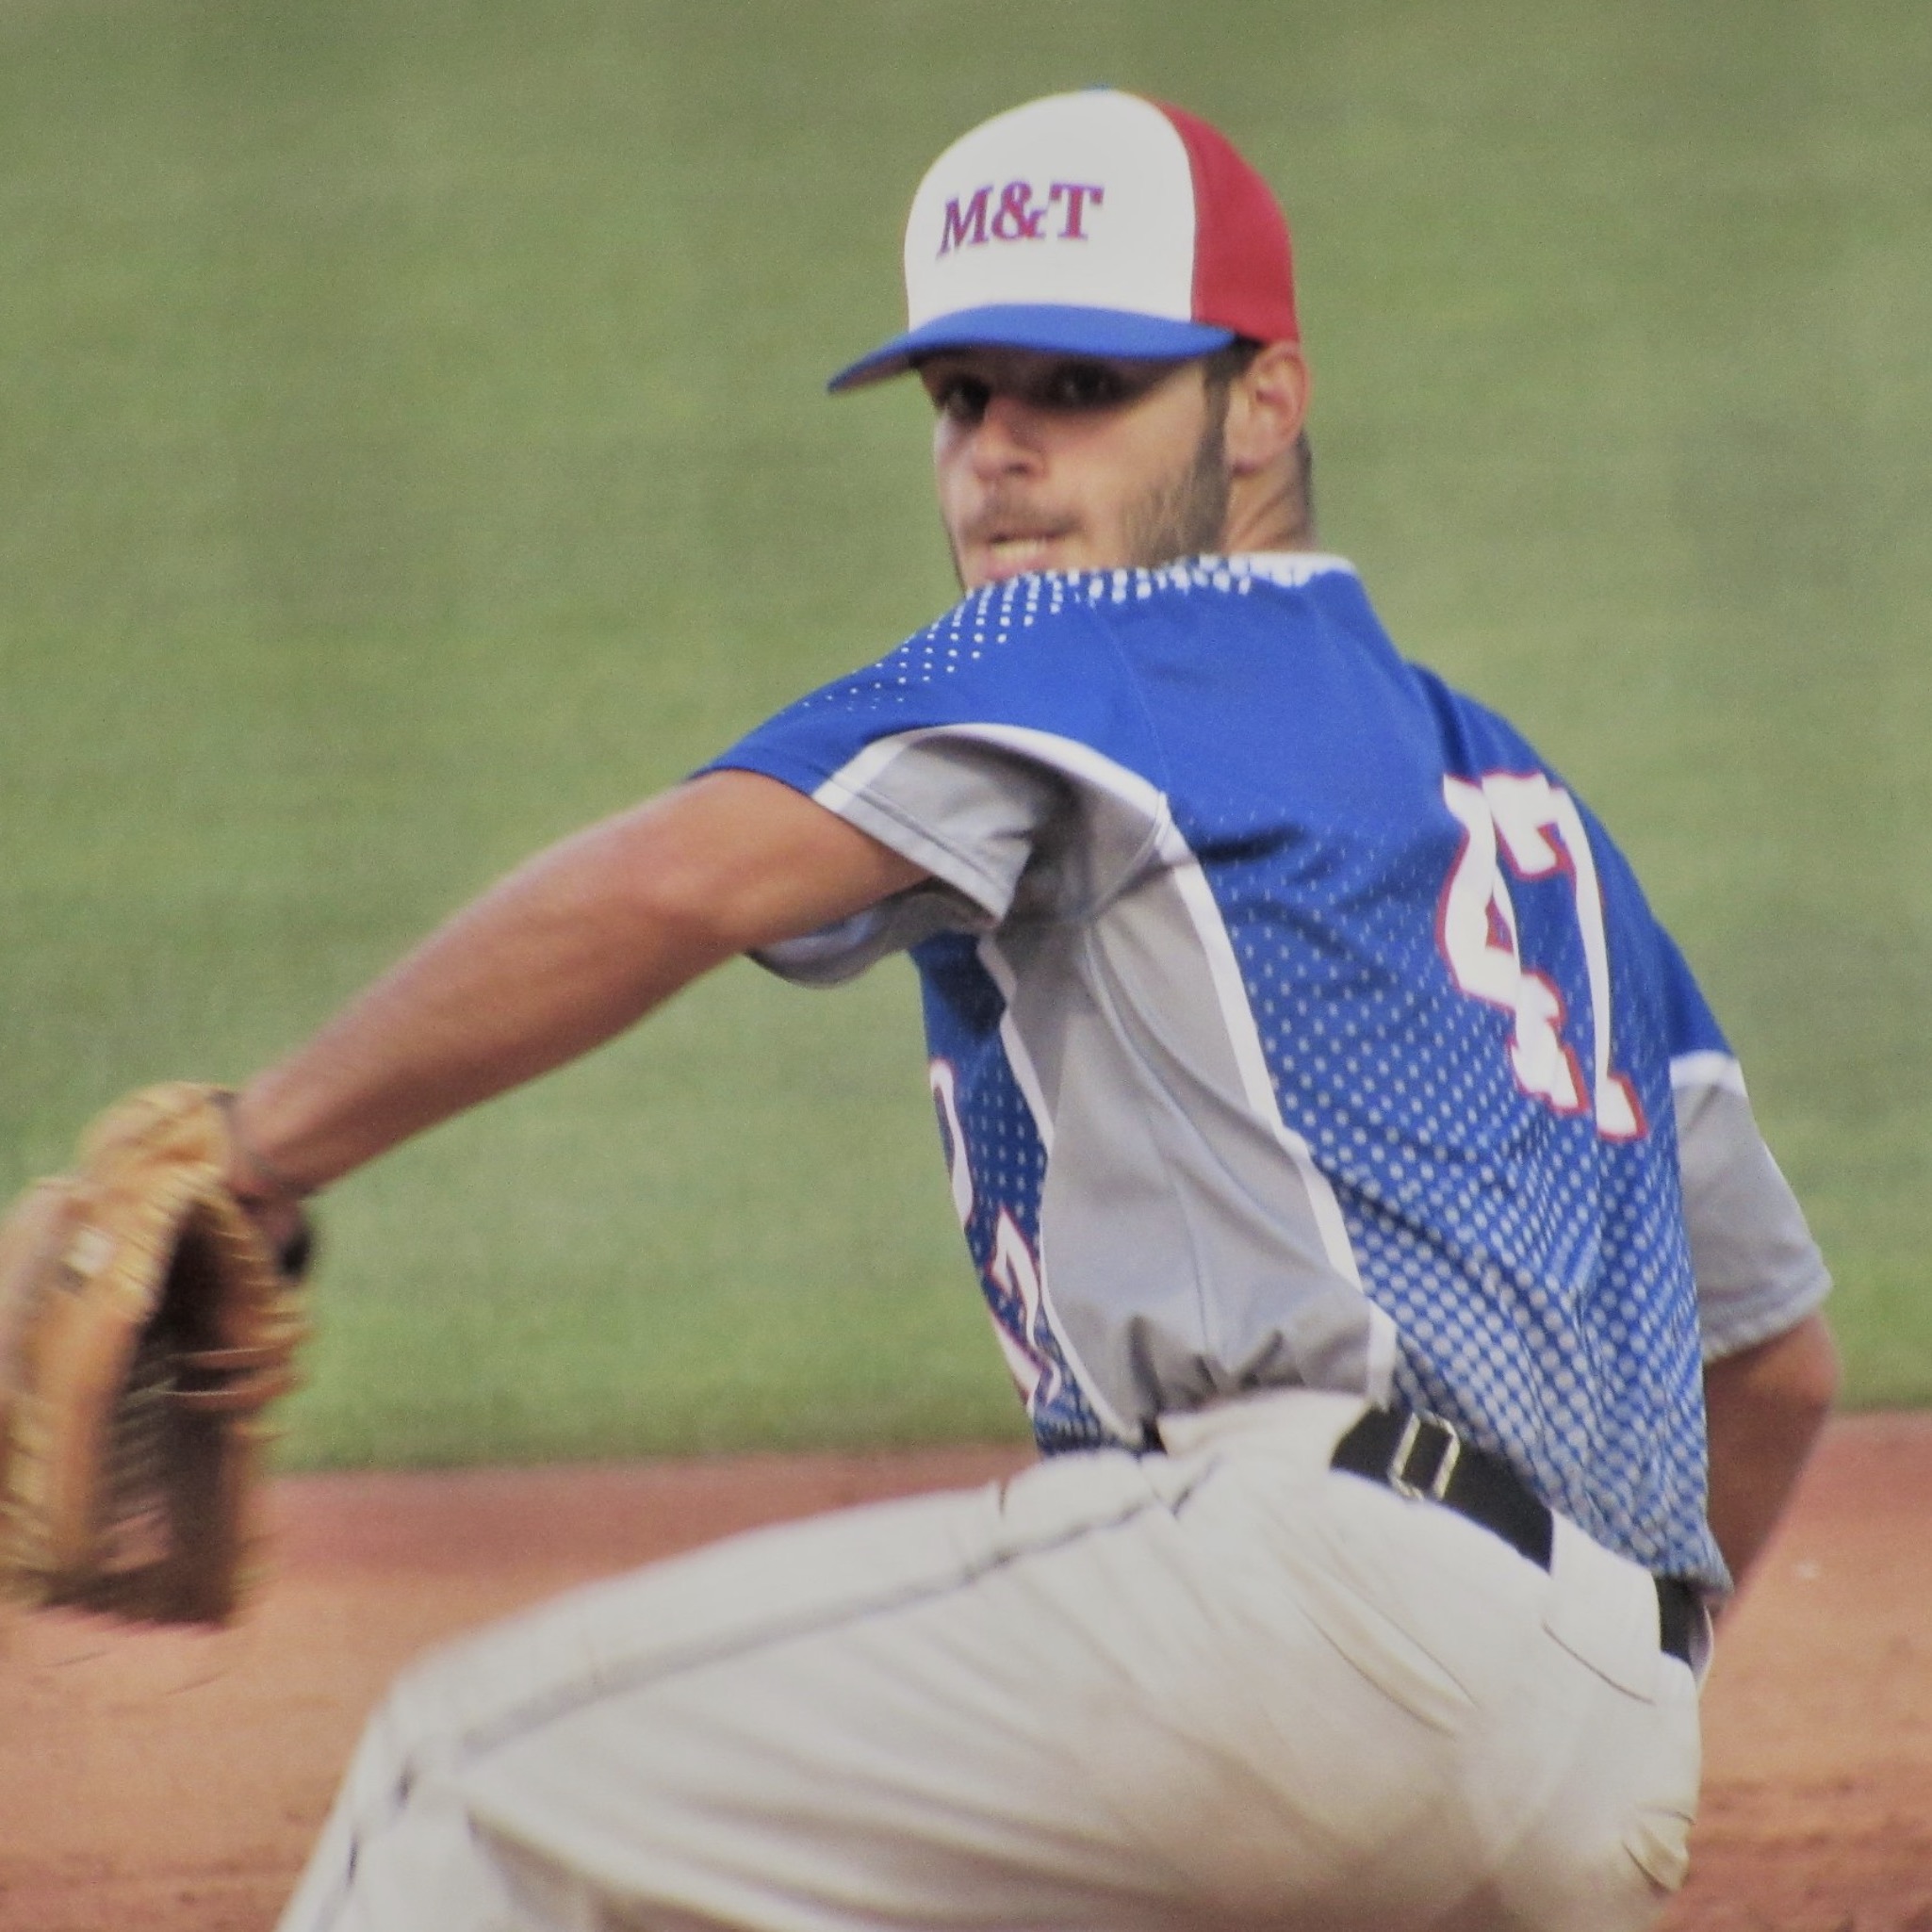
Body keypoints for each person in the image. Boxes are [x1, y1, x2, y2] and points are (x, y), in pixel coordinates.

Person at [237, 90, 1837, 1932]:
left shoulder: (1085, 646)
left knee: (465, 1781)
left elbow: (667, 882)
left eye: (1077, 387)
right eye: (959, 396)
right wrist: (1540, 1712)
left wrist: (246, 1151)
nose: (998, 452)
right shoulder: (1528, 812)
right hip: (1600, 1756)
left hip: (1299, 1619)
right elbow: (1771, 1360)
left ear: (1262, 404)